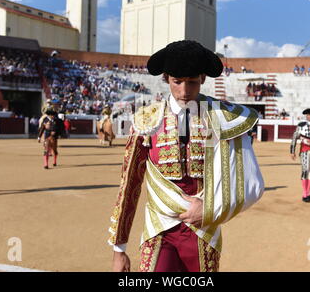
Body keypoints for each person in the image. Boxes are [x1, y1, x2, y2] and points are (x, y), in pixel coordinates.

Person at [108, 40, 264, 272]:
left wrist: (212, 208)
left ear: (202, 78)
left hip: (203, 229)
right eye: (176, 82)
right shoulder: (146, 120)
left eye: (191, 82)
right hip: (159, 228)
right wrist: (119, 250)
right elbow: (129, 185)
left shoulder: (225, 118)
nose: (184, 91)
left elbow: (251, 183)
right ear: (166, 78)